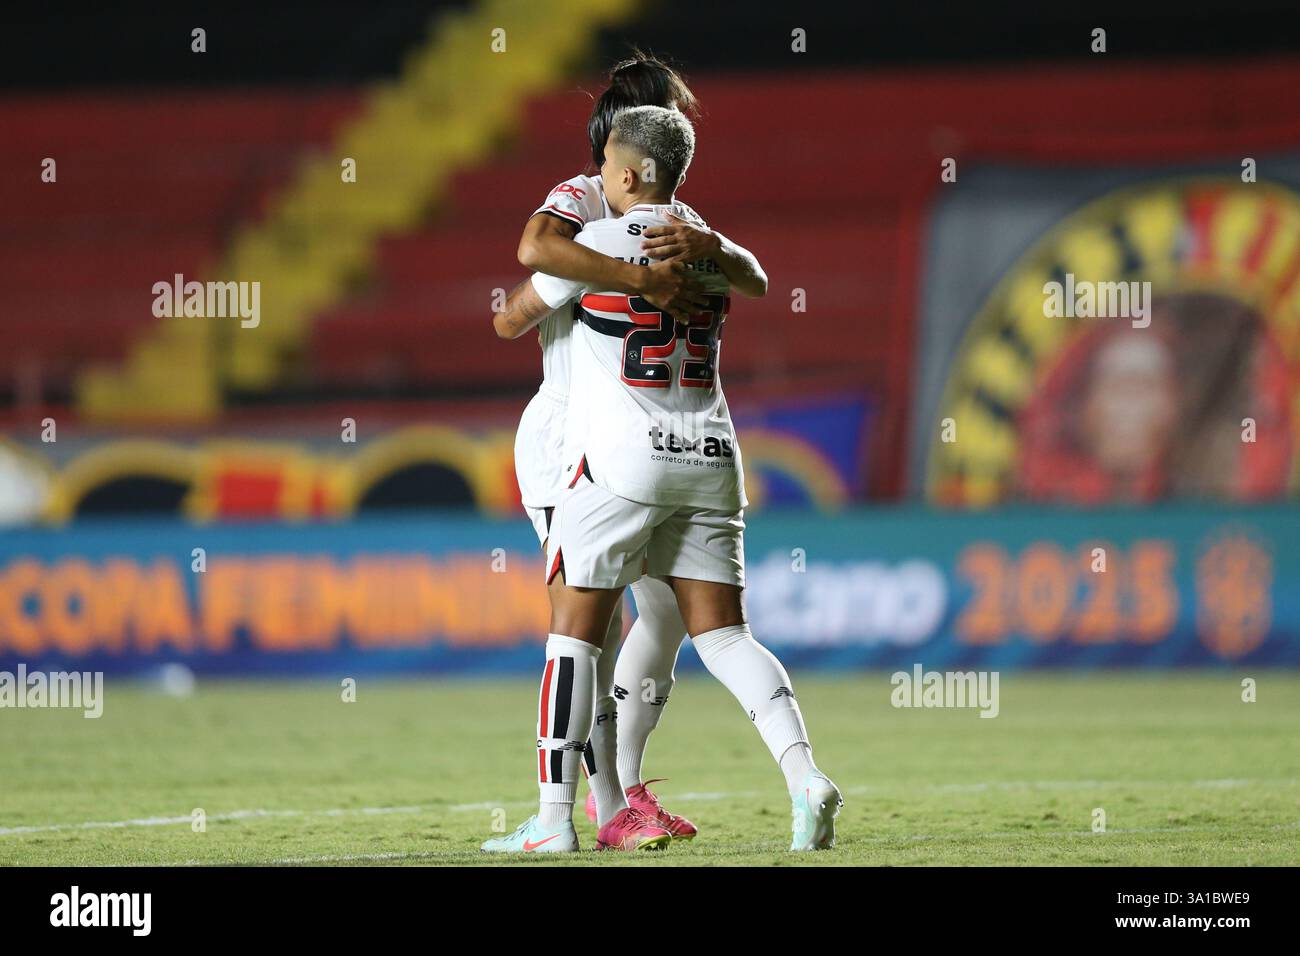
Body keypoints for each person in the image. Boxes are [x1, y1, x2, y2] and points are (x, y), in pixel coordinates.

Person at [483, 106, 841, 854]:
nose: (603, 177)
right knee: (726, 635)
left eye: (610, 165)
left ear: (631, 173)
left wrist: (579, 289)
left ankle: (555, 821)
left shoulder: (598, 239)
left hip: (620, 458)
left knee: (574, 640)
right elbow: (761, 280)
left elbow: (508, 319)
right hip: (710, 452)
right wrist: (702, 252)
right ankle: (807, 779)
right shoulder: (712, 249)